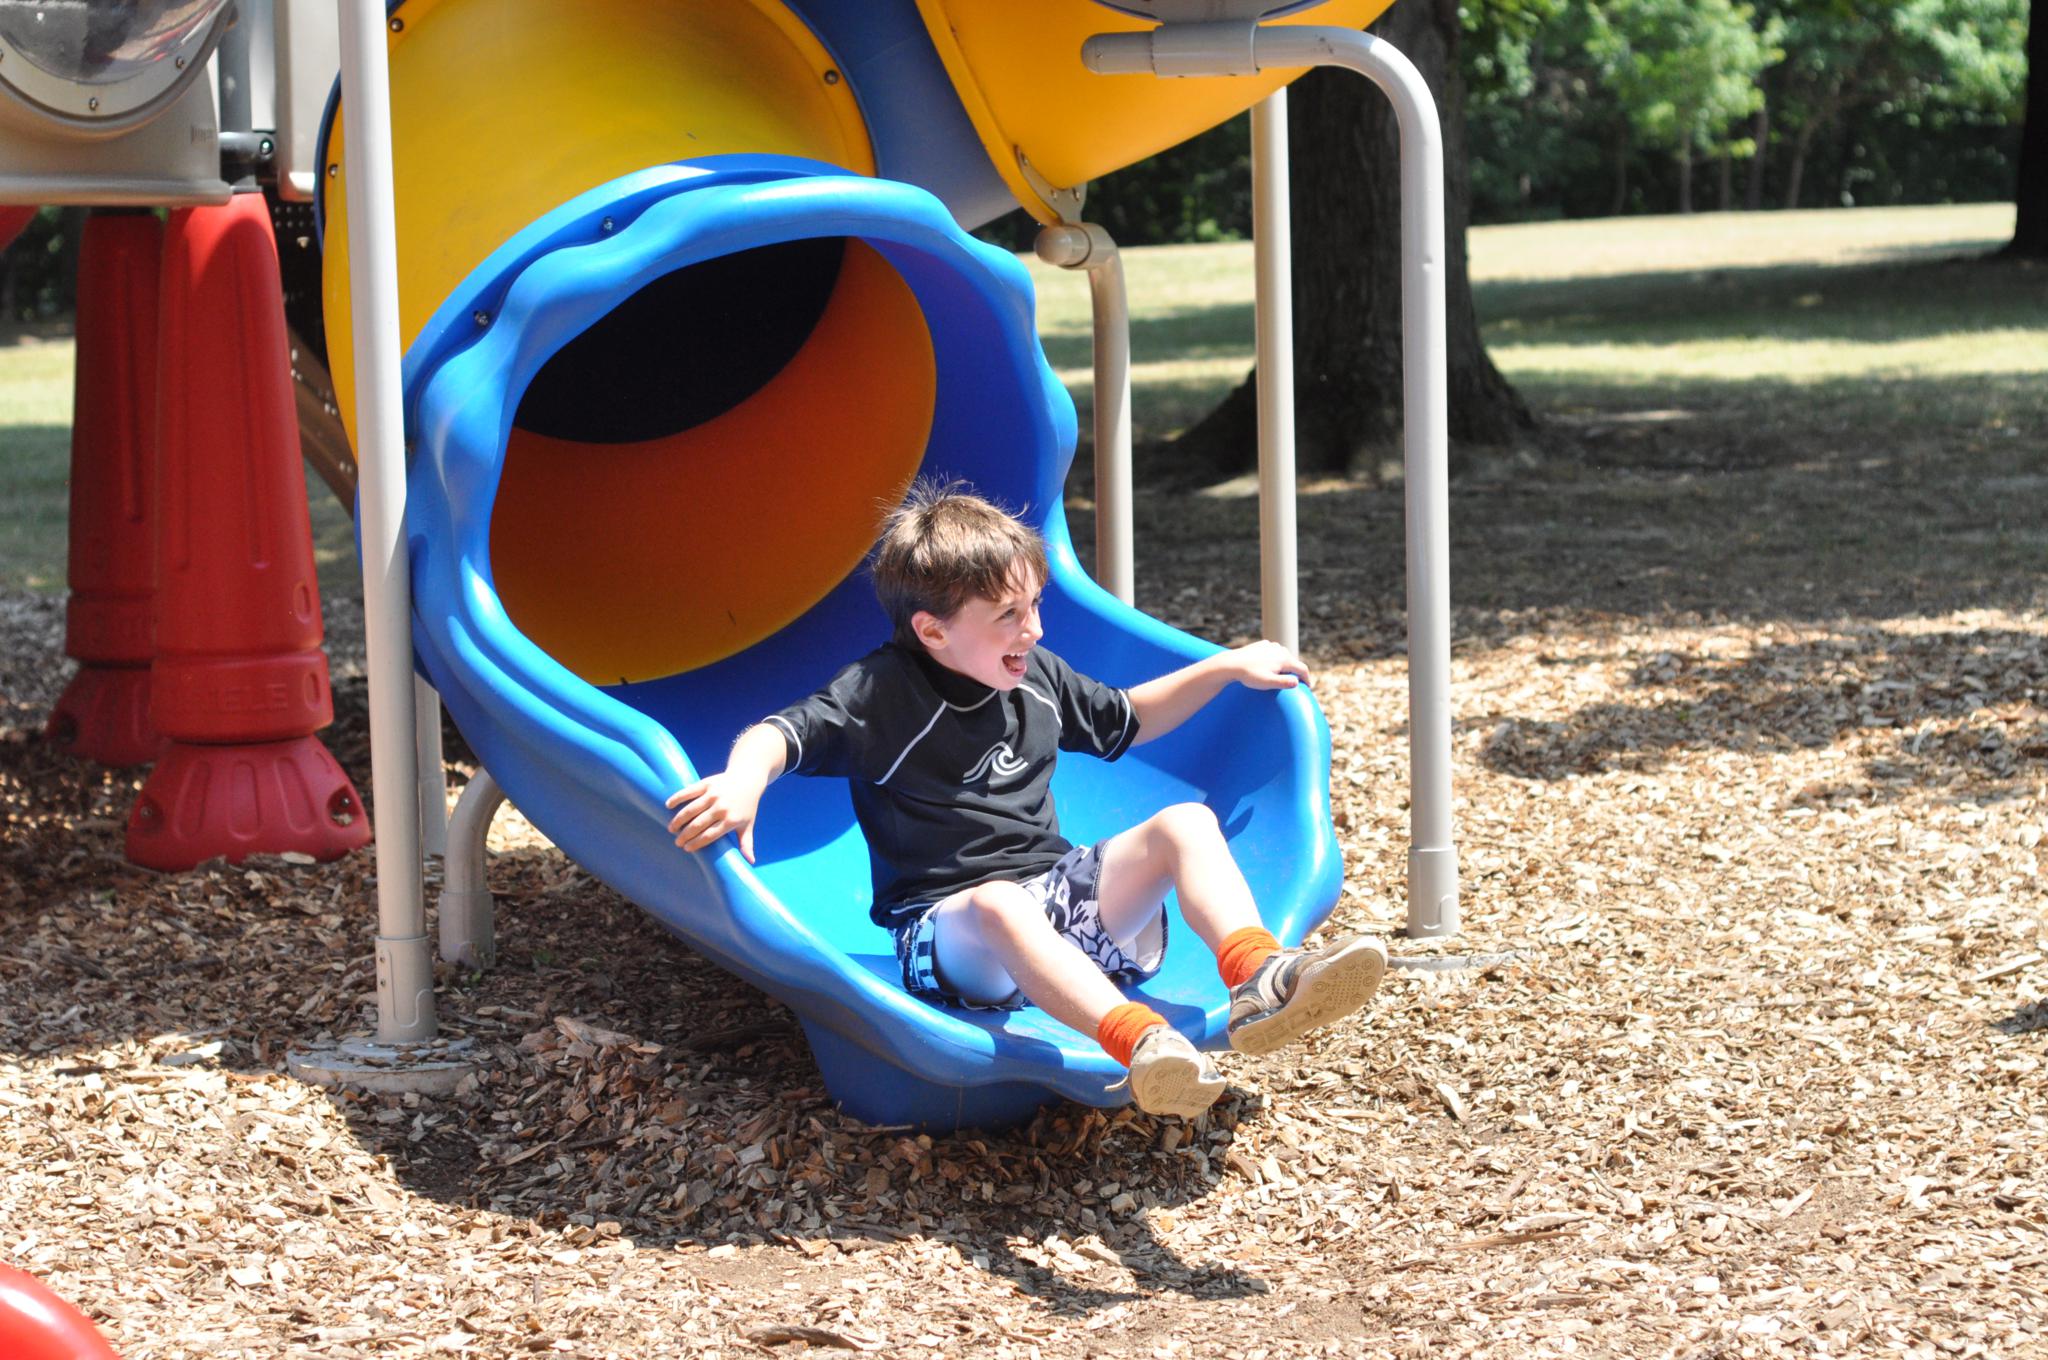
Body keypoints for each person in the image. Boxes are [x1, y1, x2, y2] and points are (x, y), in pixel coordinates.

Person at [666, 483, 1385, 1118]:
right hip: (949, 936)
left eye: (1035, 604)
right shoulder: (883, 692)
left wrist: (1225, 667)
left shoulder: (1034, 673)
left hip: (1056, 909)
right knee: (998, 902)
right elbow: (782, 734)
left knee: (1186, 824)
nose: (1033, 629)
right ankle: (1140, 1044)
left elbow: (1127, 719)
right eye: (1008, 614)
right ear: (933, 631)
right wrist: (741, 781)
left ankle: (1258, 977)